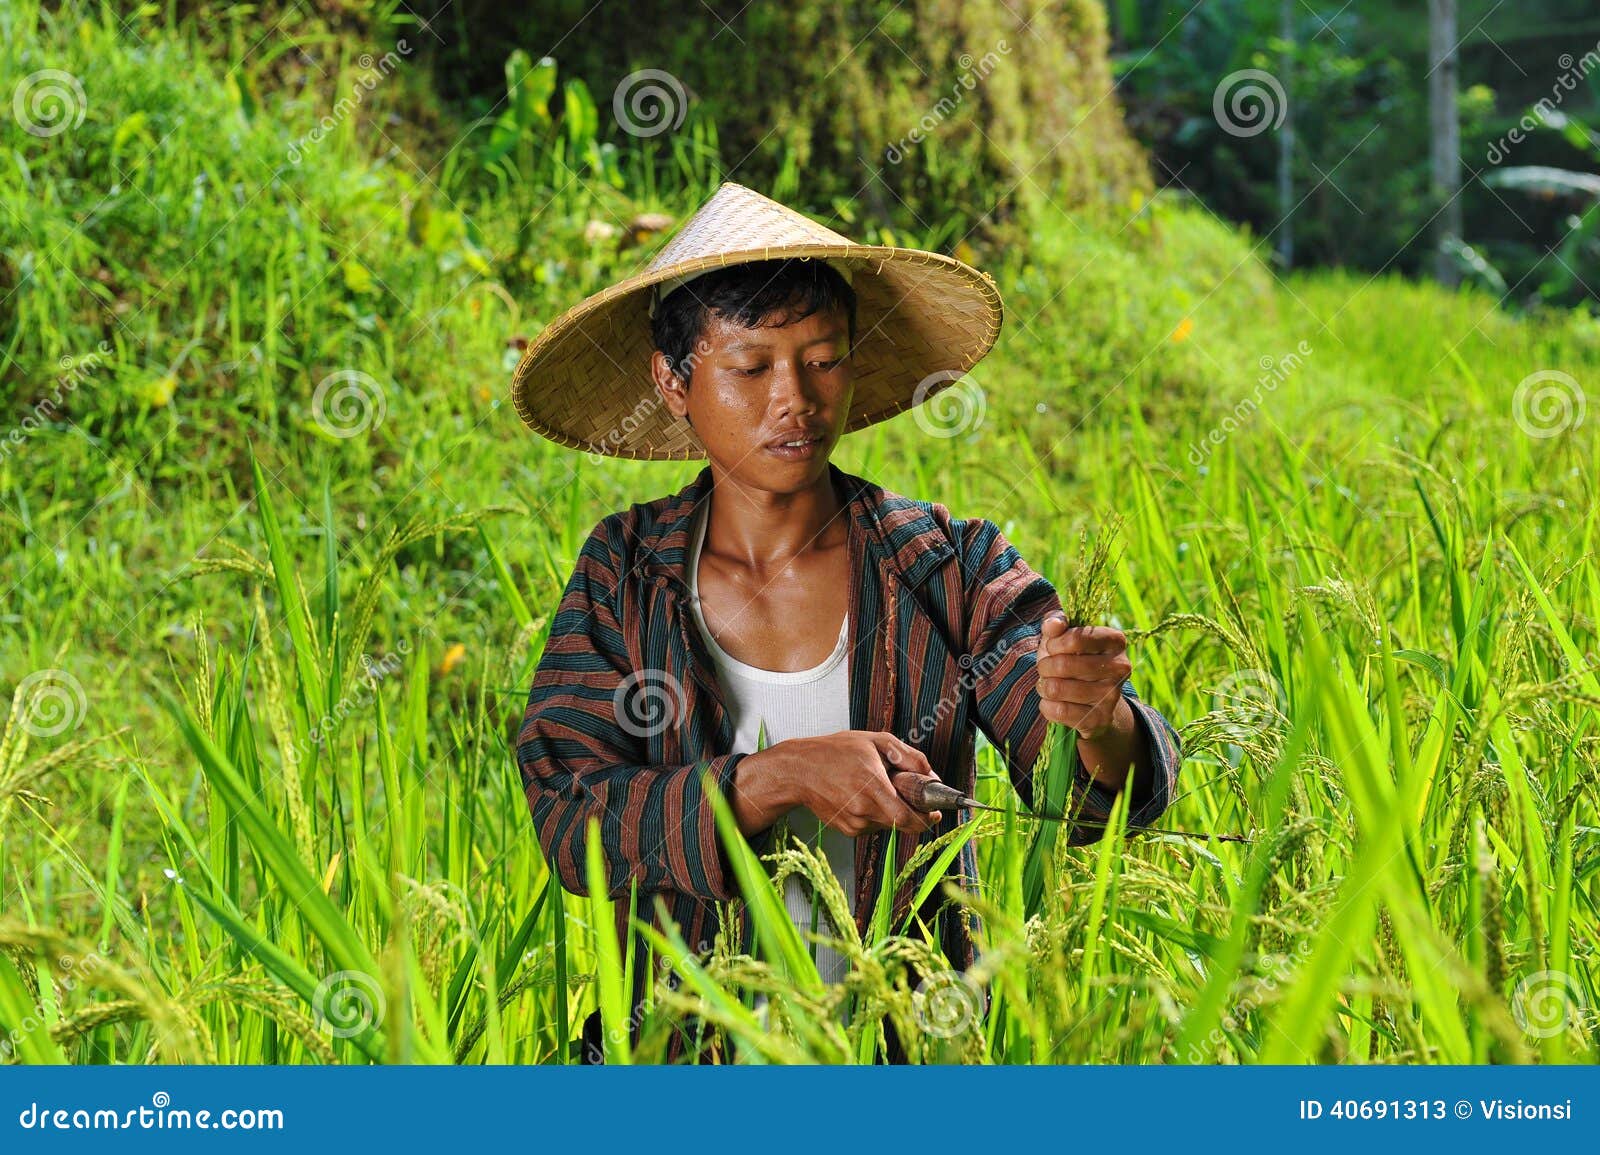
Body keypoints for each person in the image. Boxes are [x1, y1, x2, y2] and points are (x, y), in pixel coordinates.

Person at [510, 181, 1184, 1064]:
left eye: (823, 360)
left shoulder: (947, 564)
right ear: (672, 383)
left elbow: (1094, 793)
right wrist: (776, 778)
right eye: (752, 368)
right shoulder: (624, 574)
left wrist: (1099, 720)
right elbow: (571, 818)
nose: (794, 397)